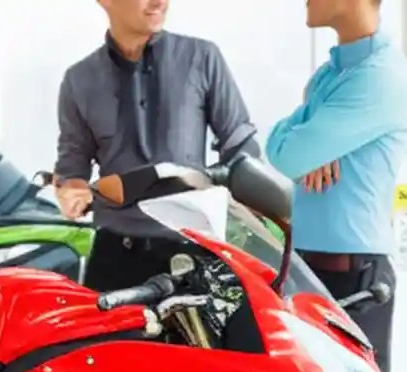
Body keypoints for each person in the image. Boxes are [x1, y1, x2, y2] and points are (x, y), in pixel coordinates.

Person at [266, 0, 407, 372]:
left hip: (354, 275)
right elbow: (279, 145)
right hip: (311, 269)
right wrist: (308, 140)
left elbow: (290, 155)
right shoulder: (332, 74)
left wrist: (307, 142)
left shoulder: (380, 78)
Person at [53, 0, 262, 291]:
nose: (160, 2)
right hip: (114, 260)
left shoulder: (202, 59)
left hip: (193, 257)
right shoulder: (78, 80)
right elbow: (72, 168)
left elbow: (242, 151)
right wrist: (70, 191)